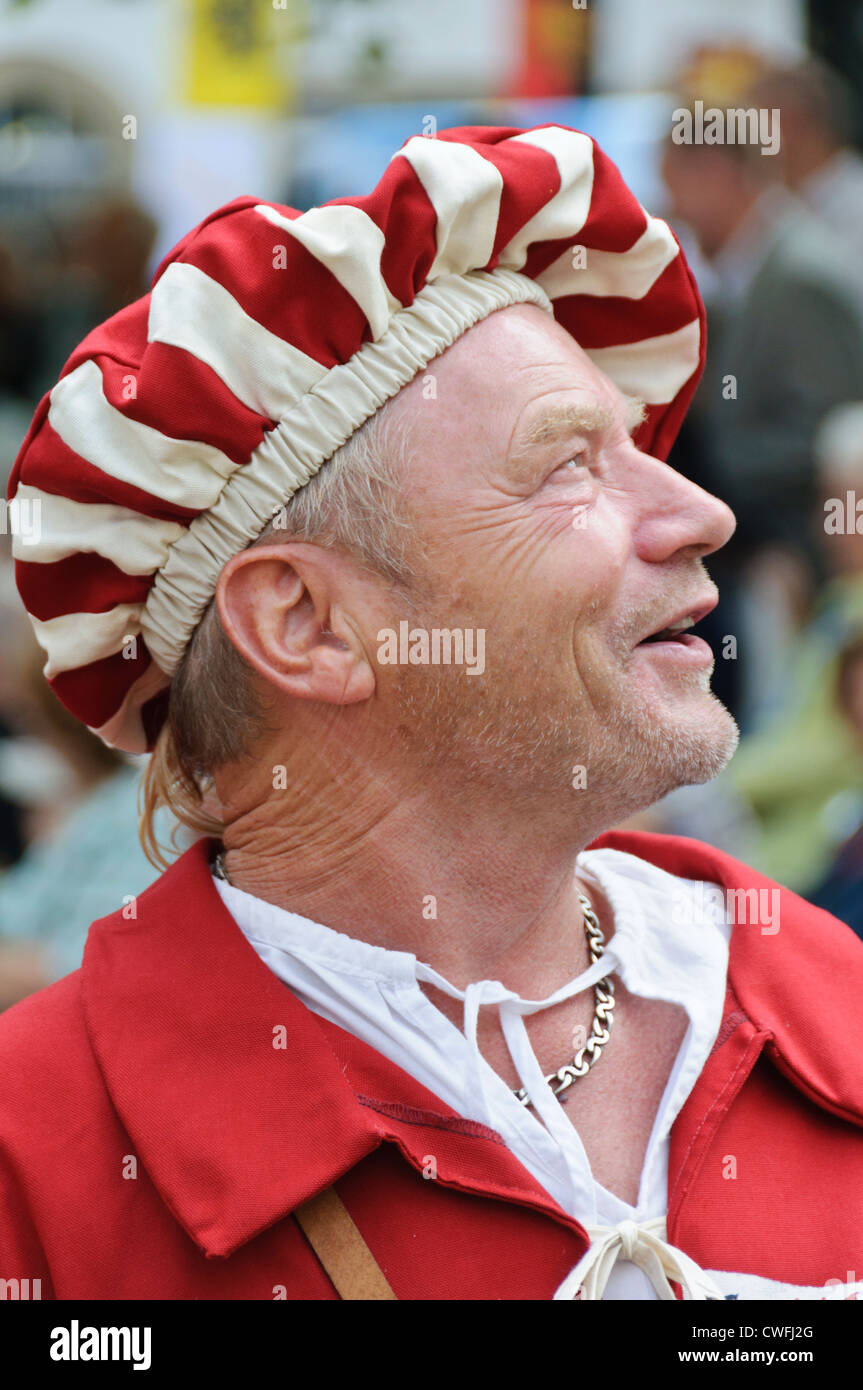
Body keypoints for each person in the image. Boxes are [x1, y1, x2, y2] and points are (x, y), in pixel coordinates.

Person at [1, 124, 861, 1303]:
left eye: (635, 445)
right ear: (304, 621)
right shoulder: (39, 1165)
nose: (698, 513)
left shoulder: (824, 1001)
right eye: (566, 465)